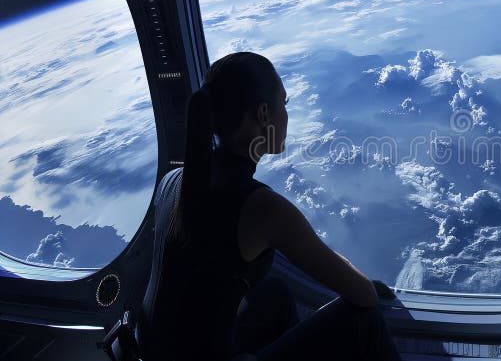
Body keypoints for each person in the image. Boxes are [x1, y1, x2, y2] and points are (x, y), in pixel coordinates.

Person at [138, 52, 401, 361]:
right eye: (284, 104)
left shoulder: (174, 180)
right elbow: (364, 295)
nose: (286, 115)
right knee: (364, 322)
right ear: (264, 114)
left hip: (152, 354)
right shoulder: (262, 209)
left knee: (275, 295)